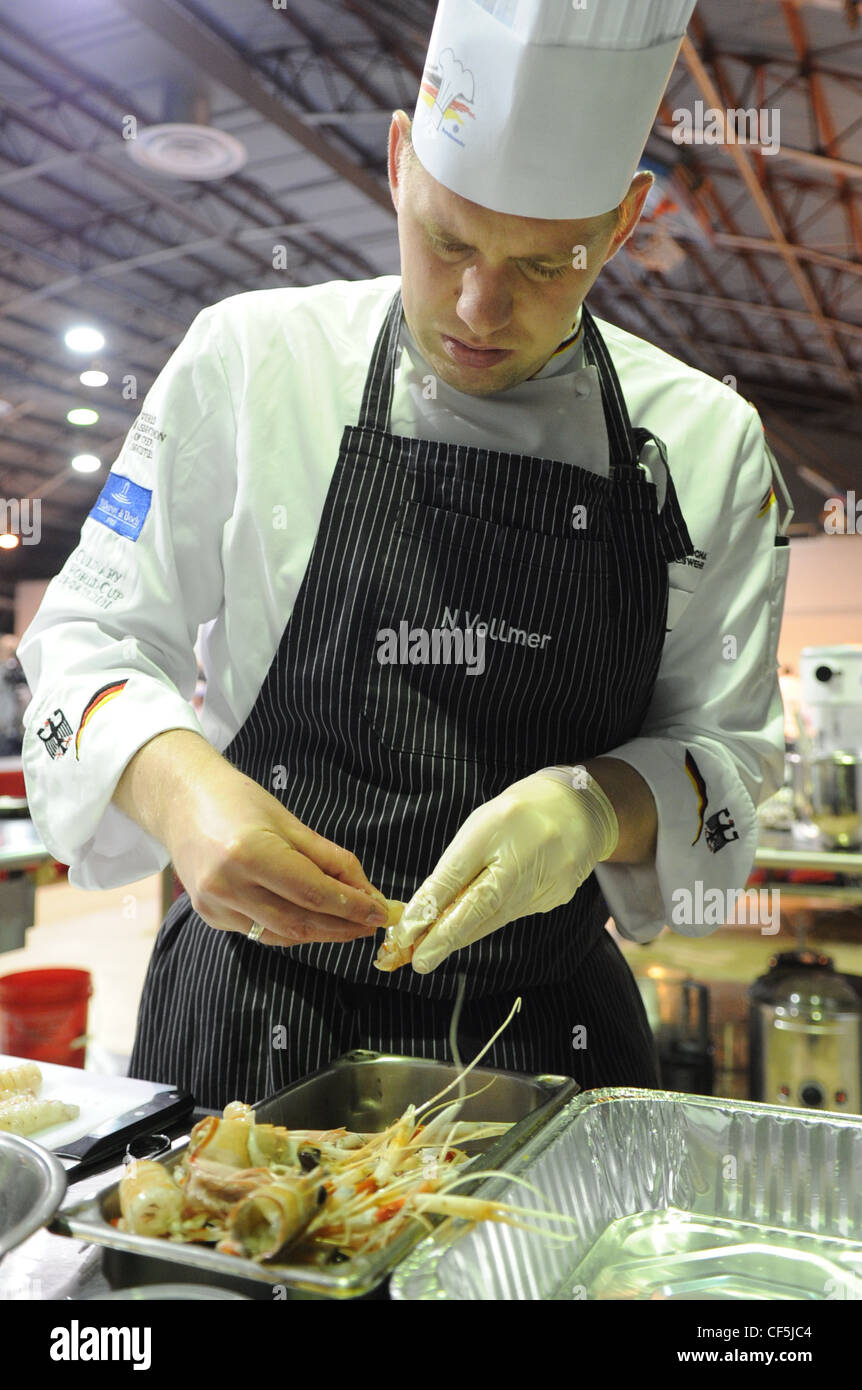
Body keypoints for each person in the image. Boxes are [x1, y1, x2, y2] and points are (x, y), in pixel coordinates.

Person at [18, 0, 789, 1108]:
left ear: (623, 225)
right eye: (448, 239)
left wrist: (590, 808)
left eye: (546, 264)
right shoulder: (250, 362)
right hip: (247, 1027)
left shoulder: (707, 442)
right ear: (395, 164)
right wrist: (182, 792)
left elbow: (729, 755)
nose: (482, 307)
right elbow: (84, 641)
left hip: (544, 1043)